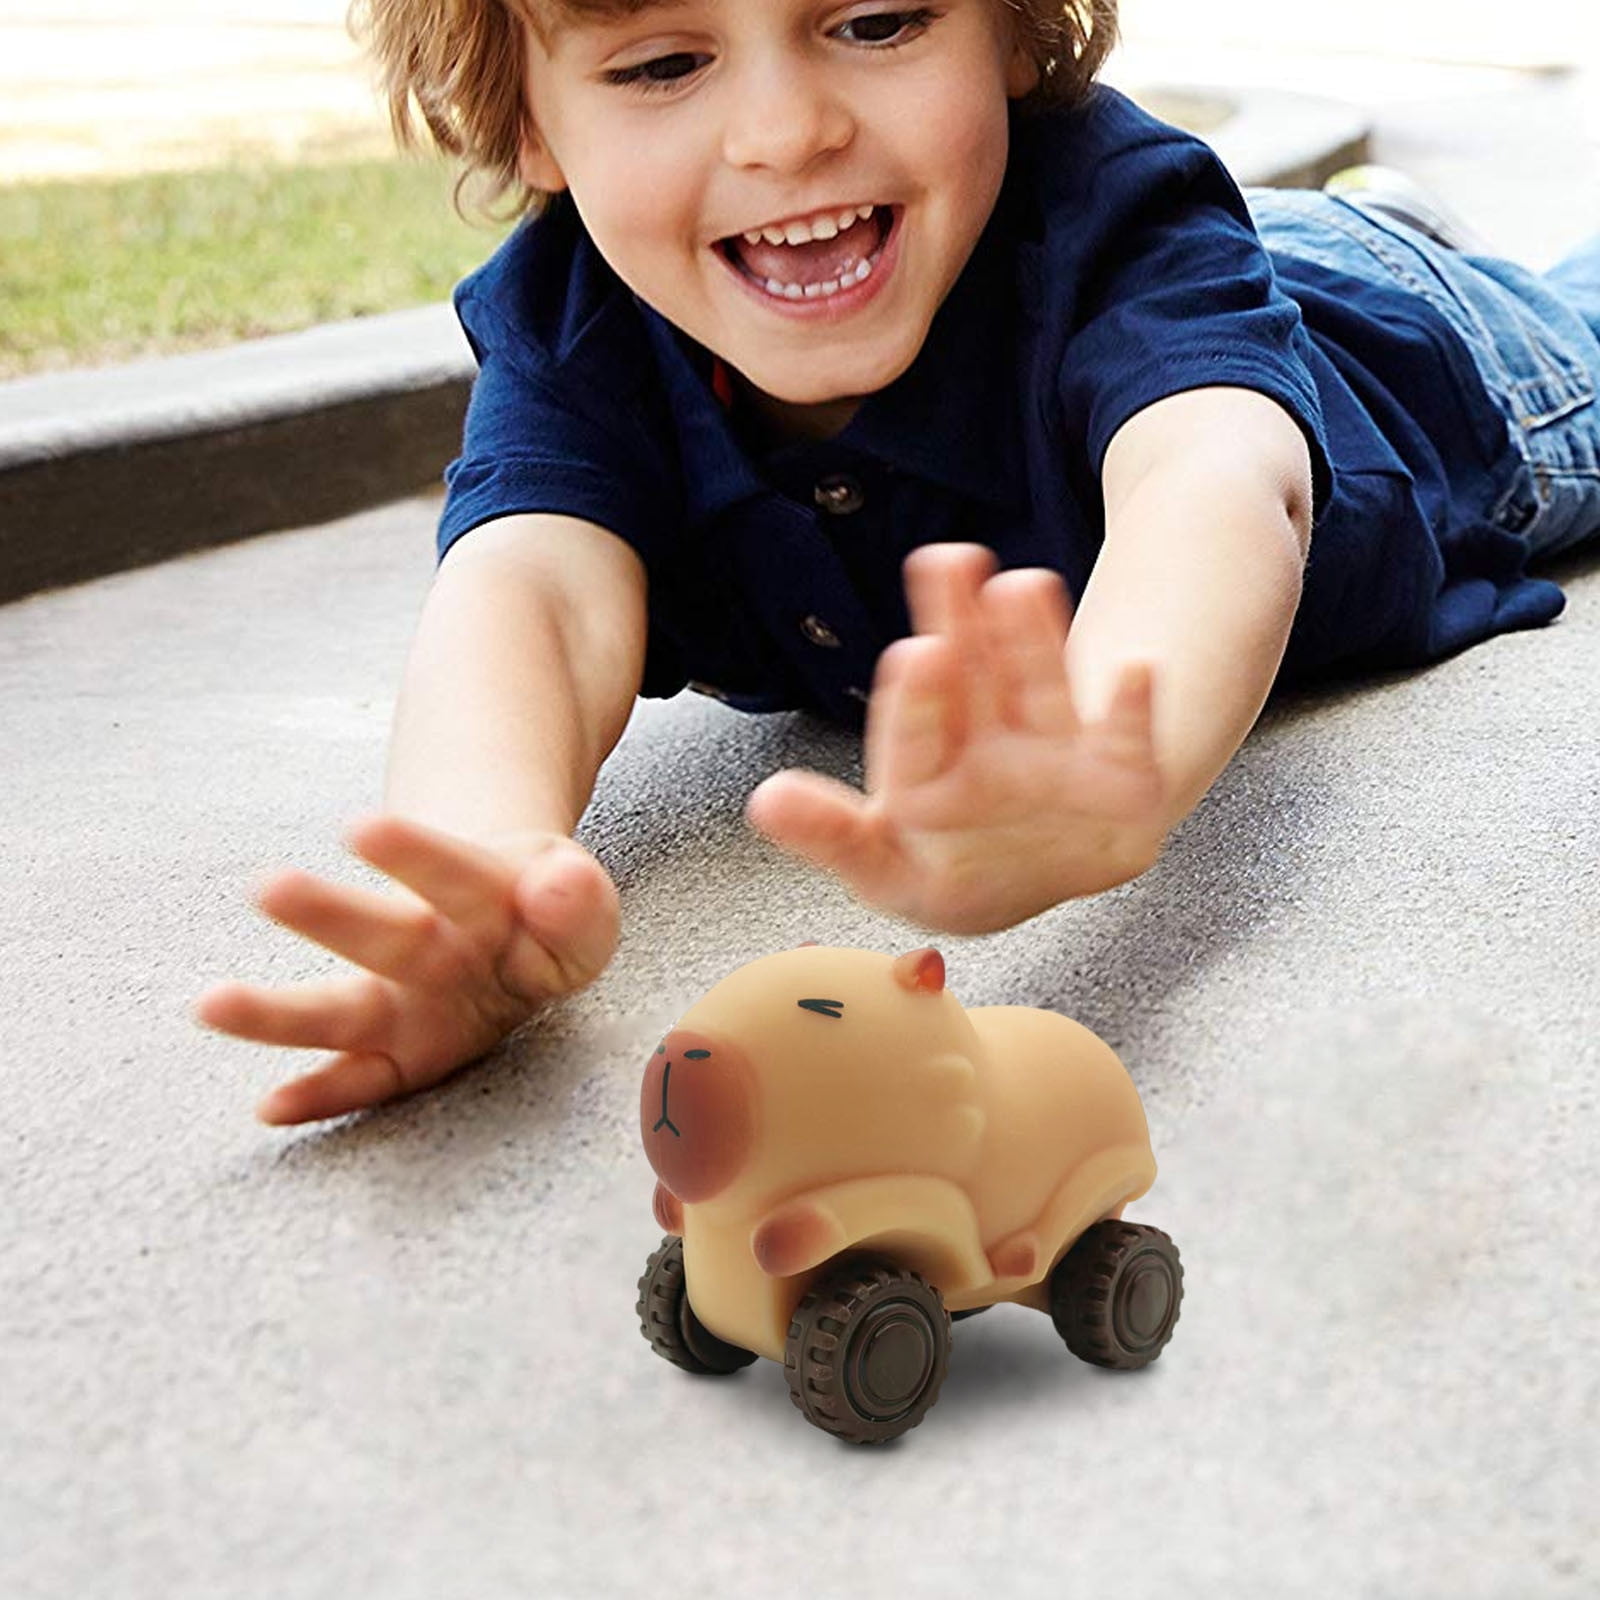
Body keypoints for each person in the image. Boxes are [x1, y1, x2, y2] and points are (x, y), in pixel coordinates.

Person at [195, 0, 1600, 1125]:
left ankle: (1408, 231)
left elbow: (1215, 481)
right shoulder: (579, 326)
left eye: (875, 23)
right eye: (664, 60)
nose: (789, 131)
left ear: (1016, 30)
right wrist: (483, 867)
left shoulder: (1109, 216)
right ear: (523, 123)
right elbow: (533, 593)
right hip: (1260, 265)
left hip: (1431, 354)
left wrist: (1127, 752)